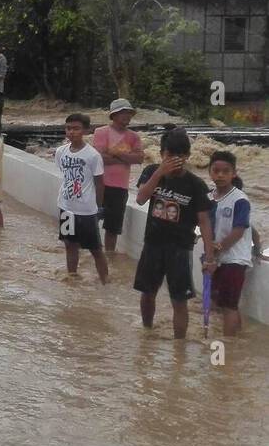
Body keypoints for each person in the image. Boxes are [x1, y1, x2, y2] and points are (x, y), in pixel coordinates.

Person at [134, 128, 215, 339]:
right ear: (161, 154)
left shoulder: (196, 185)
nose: (174, 160)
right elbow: (141, 198)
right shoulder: (151, 171)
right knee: (147, 292)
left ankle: (180, 346)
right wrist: (159, 173)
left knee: (179, 300)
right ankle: (147, 332)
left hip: (180, 248)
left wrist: (210, 256)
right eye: (169, 155)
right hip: (152, 243)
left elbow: (205, 222)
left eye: (179, 156)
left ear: (187, 156)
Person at [55, 113, 108, 283]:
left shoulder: (92, 155)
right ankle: (72, 277)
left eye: (76, 128)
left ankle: (105, 282)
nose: (72, 132)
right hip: (66, 207)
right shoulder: (60, 152)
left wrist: (99, 207)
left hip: (86, 211)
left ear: (86, 130)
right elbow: (63, 174)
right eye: (68, 128)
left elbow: (99, 183)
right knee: (69, 244)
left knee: (95, 249)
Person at [208, 151, 252, 336]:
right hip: (217, 258)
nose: (220, 175)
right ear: (210, 172)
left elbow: (239, 230)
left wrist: (217, 249)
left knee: (229, 305)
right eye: (216, 171)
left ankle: (228, 347)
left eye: (225, 171)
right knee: (219, 301)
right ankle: (239, 337)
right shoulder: (208, 197)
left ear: (234, 173)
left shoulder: (240, 199)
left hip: (234, 259)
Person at [90, 99, 143, 252]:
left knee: (113, 228)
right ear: (113, 115)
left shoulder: (134, 137)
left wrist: (116, 153)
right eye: (123, 112)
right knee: (90, 221)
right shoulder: (101, 132)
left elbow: (139, 158)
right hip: (100, 185)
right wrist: (126, 156)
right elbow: (99, 158)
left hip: (120, 188)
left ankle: (109, 257)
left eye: (129, 113)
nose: (127, 116)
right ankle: (91, 253)